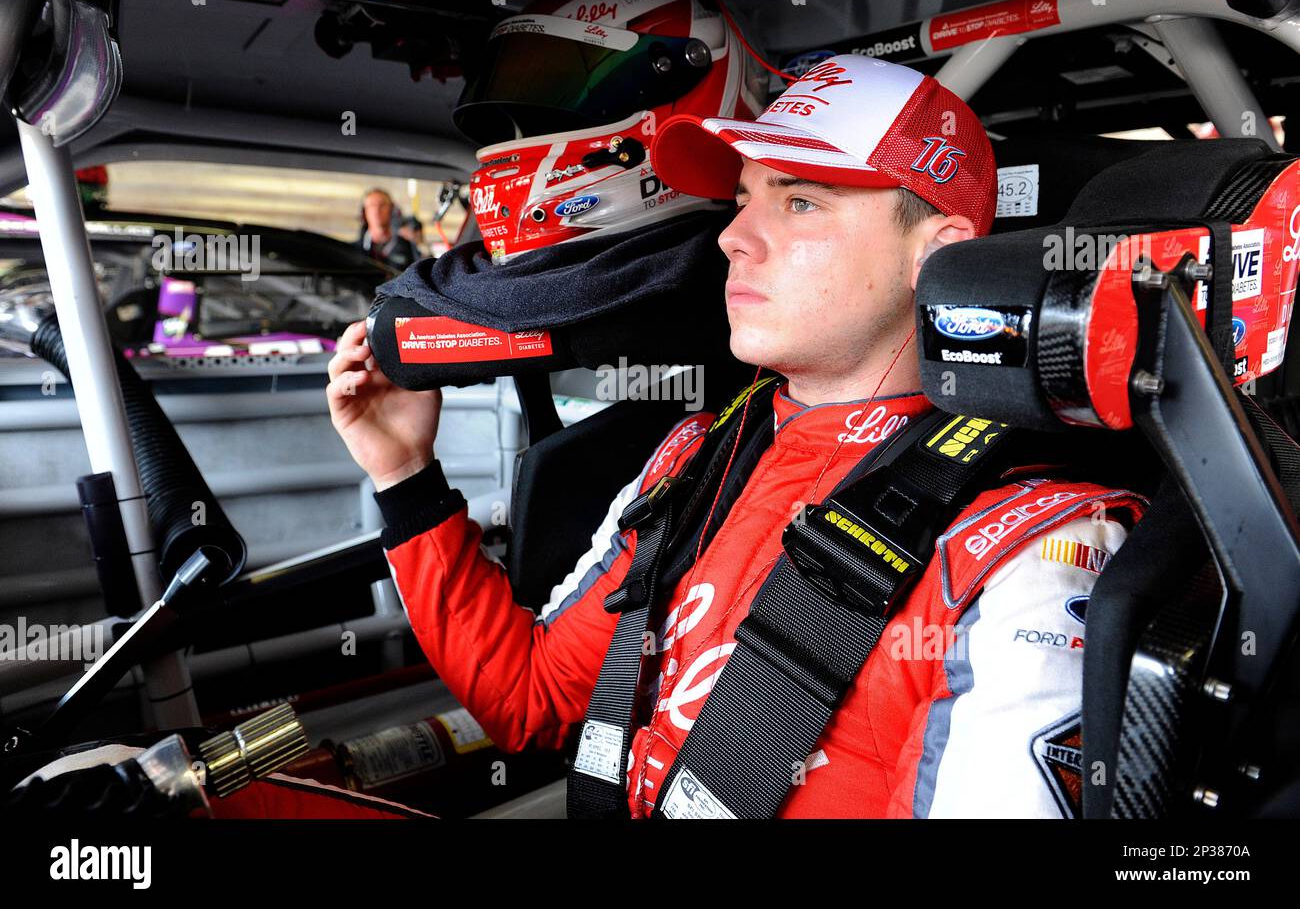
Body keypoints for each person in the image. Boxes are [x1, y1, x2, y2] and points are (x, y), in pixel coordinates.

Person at [328, 54, 1145, 818]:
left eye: (798, 201)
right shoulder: (694, 455)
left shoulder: (1027, 552)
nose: (732, 236)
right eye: (743, 199)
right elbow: (527, 698)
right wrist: (404, 471)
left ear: (933, 258)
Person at [355, 187, 420, 271]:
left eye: (382, 205)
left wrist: (418, 245)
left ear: (392, 210)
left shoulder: (409, 247)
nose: (377, 210)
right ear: (364, 212)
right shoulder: (354, 251)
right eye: (372, 205)